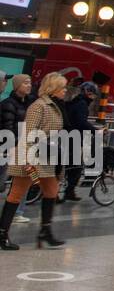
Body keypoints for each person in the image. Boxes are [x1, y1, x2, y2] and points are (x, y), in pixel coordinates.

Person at [0, 72, 70, 250]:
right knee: (16, 193)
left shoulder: (55, 106)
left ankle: (45, 231)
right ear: (53, 88)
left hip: (46, 158)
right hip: (31, 158)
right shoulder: (39, 106)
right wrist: (28, 159)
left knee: (52, 191)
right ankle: (2, 234)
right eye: (63, 88)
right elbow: (28, 134)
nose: (65, 91)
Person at [0, 73, 34, 226]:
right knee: (3, 180)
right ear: (17, 86)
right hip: (10, 147)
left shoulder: (30, 104)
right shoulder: (8, 104)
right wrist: (13, 145)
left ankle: (18, 211)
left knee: (25, 178)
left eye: (30, 83)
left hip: (24, 147)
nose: (29, 85)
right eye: (25, 83)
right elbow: (8, 126)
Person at [59, 79, 98, 202]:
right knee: (75, 166)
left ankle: (68, 191)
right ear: (87, 92)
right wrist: (95, 130)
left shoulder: (75, 102)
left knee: (70, 165)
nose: (93, 97)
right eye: (92, 93)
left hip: (67, 136)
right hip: (73, 138)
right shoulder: (82, 104)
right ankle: (65, 191)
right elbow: (81, 122)